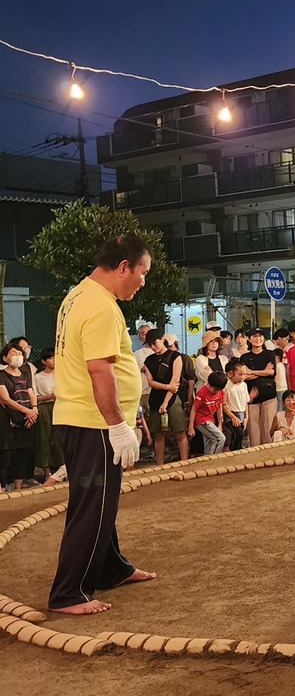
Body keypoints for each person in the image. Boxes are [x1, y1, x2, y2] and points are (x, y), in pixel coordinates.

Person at [49, 234, 156, 615]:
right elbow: (100, 371)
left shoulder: (79, 295)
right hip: (93, 423)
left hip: (84, 419)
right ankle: (68, 592)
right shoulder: (99, 306)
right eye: (141, 273)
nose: (143, 282)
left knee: (101, 503)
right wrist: (116, 425)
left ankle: (111, 568)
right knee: (93, 506)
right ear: (124, 267)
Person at [142, 329, 187, 465]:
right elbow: (150, 382)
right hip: (156, 398)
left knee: (179, 432)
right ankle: (160, 464)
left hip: (173, 398)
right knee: (159, 434)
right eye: (150, 345)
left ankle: (184, 462)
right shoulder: (149, 360)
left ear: (162, 339)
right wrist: (167, 387)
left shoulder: (175, 356)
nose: (153, 347)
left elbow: (175, 381)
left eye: (155, 343)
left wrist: (166, 401)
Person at [0, 342, 37, 492]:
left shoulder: (26, 374)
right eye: (13, 354)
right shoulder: (1, 376)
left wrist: (34, 410)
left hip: (27, 419)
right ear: (5, 357)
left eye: (19, 353)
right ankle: (2, 487)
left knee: (24, 452)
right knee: (6, 454)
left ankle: (18, 488)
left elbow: (31, 392)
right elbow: (6, 399)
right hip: (7, 419)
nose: (18, 357)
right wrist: (26, 411)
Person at [239, 327, 277, 446]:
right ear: (249, 339)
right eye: (254, 336)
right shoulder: (244, 357)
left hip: (268, 396)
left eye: (260, 336)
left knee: (268, 430)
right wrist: (263, 372)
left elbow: (271, 372)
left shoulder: (270, 354)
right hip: (251, 397)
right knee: (254, 432)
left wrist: (252, 371)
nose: (258, 339)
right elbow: (243, 376)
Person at [33, 347, 64, 481]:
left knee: (60, 438)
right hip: (45, 408)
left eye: (55, 357)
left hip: (60, 406)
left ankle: (63, 468)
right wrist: (48, 396)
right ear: (44, 361)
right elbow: (34, 397)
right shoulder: (37, 377)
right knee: (45, 438)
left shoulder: (62, 374)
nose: (54, 360)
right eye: (50, 358)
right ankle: (47, 472)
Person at [188, 370, 227, 455]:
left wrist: (220, 423)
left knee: (209, 441)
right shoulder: (202, 393)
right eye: (215, 389)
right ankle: (212, 460)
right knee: (220, 438)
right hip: (202, 420)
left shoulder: (220, 392)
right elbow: (194, 409)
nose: (216, 391)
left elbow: (219, 407)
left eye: (219, 390)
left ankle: (206, 460)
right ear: (209, 384)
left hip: (211, 419)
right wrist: (191, 427)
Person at [222, 359, 249, 451]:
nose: (243, 377)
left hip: (241, 414)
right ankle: (234, 454)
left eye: (244, 374)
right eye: (240, 374)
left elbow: (246, 402)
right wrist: (232, 417)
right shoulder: (226, 386)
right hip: (231, 414)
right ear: (230, 373)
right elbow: (223, 404)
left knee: (240, 437)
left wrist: (246, 417)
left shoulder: (244, 385)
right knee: (238, 435)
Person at [272, 328, 290, 406]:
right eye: (286, 339)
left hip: (282, 386)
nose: (287, 342)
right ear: (280, 338)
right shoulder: (271, 347)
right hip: (279, 386)